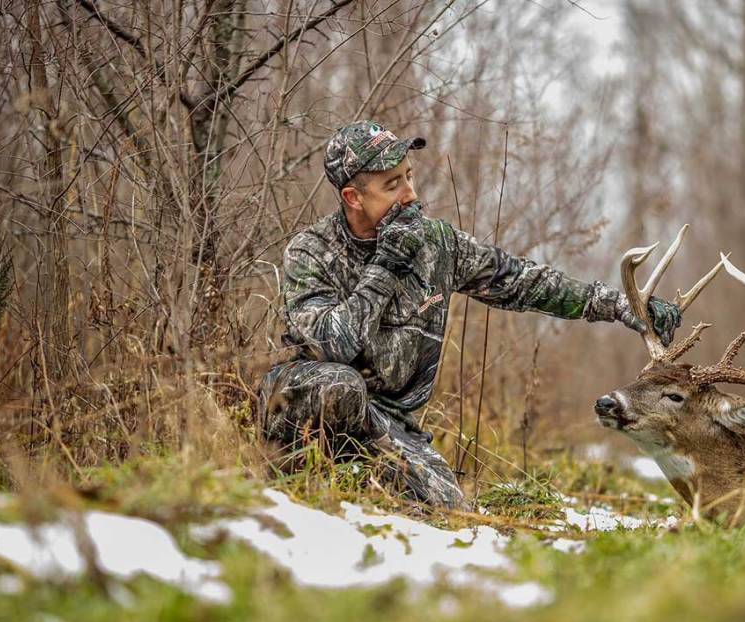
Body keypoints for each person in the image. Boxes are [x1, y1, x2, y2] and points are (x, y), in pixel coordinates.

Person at [257, 121, 681, 508]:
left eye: (409, 176)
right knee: (339, 385)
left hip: (389, 419)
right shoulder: (311, 251)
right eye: (392, 185)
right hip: (310, 400)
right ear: (353, 197)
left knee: (446, 507)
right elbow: (336, 344)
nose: (410, 195)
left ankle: (364, 483)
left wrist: (621, 306)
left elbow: (521, 280)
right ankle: (296, 495)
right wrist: (386, 265)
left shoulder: (435, 244)